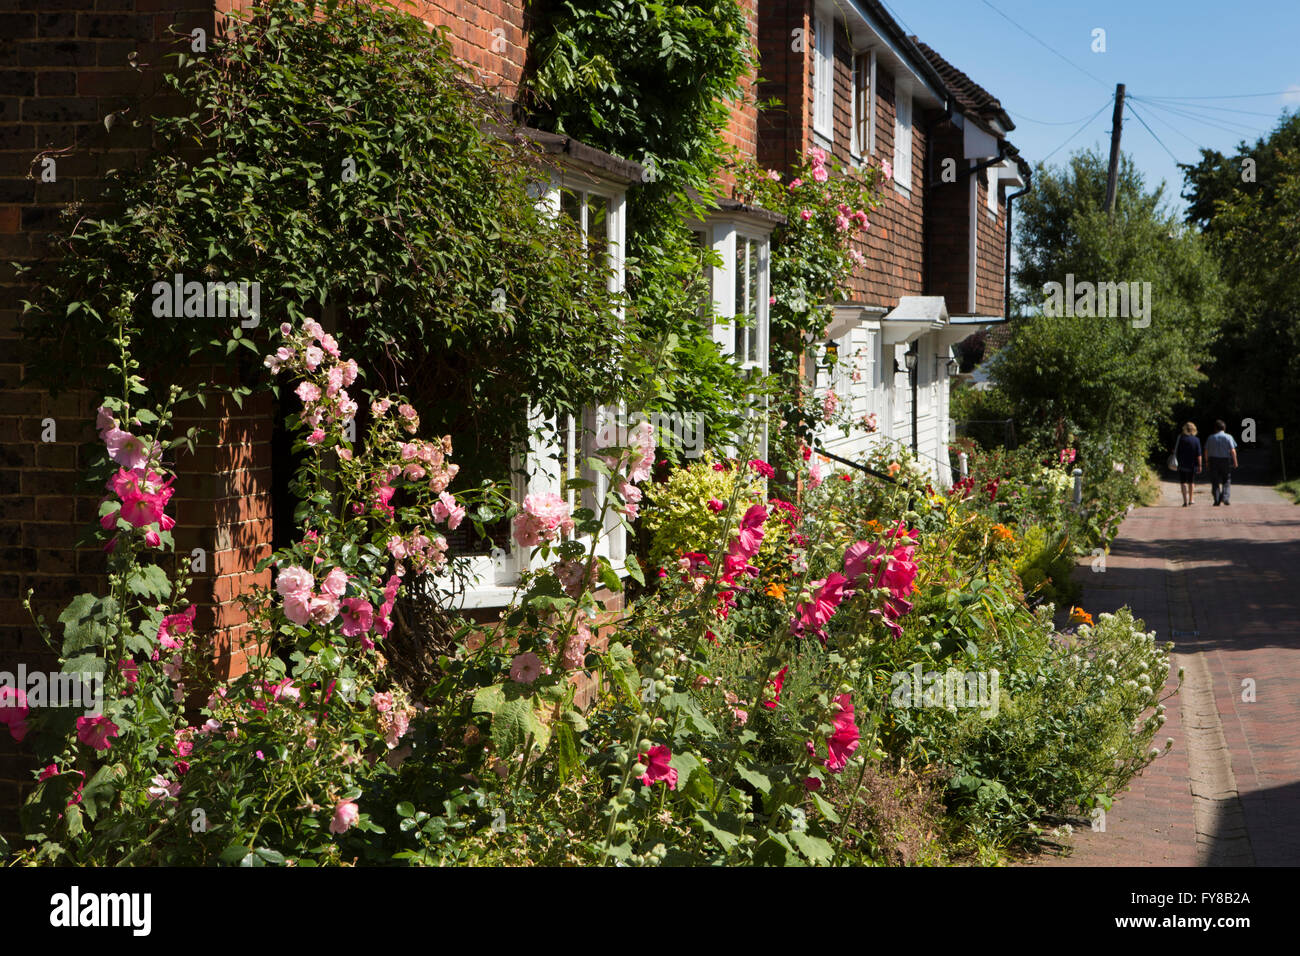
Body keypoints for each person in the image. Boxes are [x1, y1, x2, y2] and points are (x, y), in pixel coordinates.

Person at [1205, 419, 1239, 506]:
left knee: (1215, 480)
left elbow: (1206, 451)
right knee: (1226, 479)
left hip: (1213, 460)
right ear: (1224, 428)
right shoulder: (1228, 437)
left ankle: (1216, 499)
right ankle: (1225, 497)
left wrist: (1207, 462)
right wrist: (1235, 461)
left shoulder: (1210, 437)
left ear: (1215, 428)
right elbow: (1232, 450)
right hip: (1225, 460)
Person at [1174, 422, 1202, 506]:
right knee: (1191, 482)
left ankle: (1185, 501)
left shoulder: (1181, 439)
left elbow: (1176, 451)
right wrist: (1200, 465)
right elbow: (1199, 454)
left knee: (1183, 482)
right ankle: (1191, 499)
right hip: (1192, 464)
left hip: (1182, 463)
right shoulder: (1196, 440)